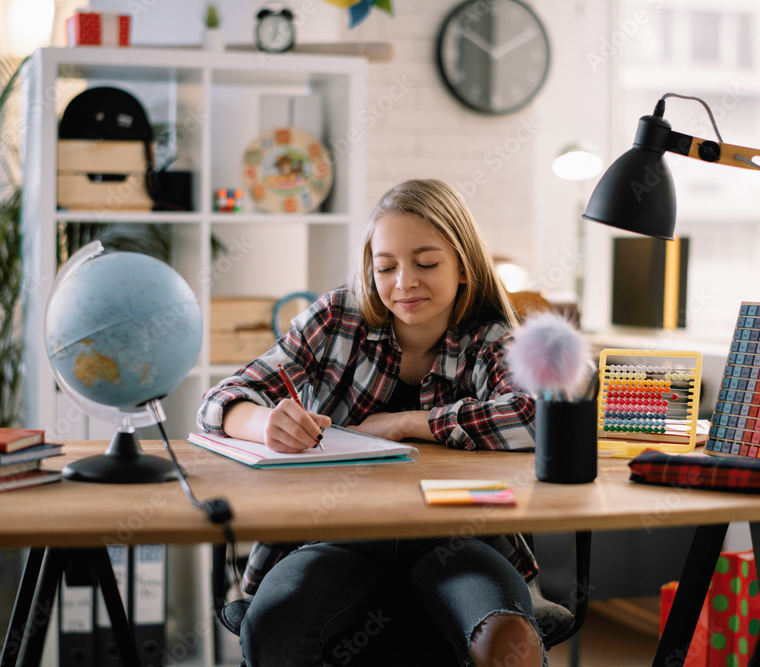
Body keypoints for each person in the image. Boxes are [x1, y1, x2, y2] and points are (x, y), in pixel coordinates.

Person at [197, 179, 544, 667]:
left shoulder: (491, 339)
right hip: (336, 534)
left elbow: (535, 416)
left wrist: (406, 422)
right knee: (273, 626)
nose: (404, 282)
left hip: (458, 539)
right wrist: (260, 422)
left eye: (426, 263)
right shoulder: (338, 318)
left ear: (464, 267)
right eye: (386, 267)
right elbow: (219, 401)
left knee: (509, 643)